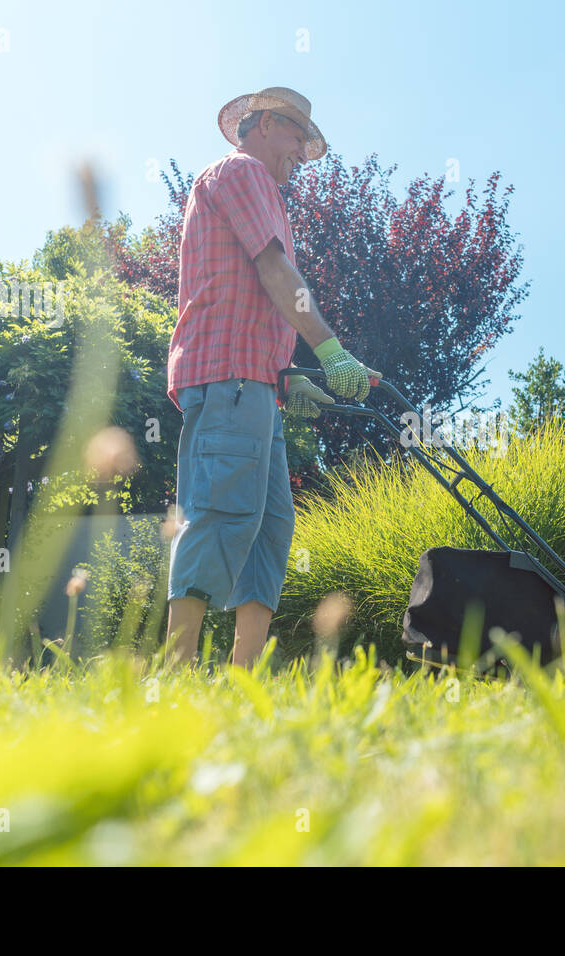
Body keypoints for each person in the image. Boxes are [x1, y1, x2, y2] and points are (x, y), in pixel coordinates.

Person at [164, 86, 377, 668]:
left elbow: (254, 296)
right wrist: (331, 351)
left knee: (270, 527)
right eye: (295, 136)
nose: (300, 154)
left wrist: (290, 376)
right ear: (261, 125)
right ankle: (175, 673)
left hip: (255, 382)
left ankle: (244, 677)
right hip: (228, 376)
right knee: (222, 513)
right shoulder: (241, 172)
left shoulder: (257, 188)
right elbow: (274, 269)